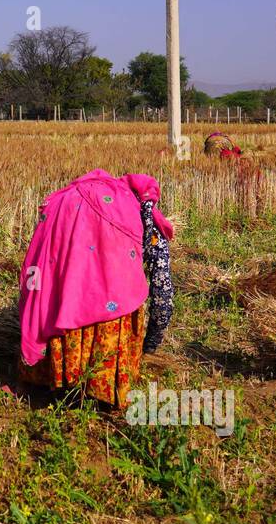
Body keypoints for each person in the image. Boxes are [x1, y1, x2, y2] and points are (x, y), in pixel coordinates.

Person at [17, 170, 174, 408]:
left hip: (65, 303)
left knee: (72, 287)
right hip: (116, 305)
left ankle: (60, 380)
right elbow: (162, 288)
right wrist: (149, 342)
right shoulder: (144, 211)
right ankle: (101, 390)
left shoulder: (65, 198)